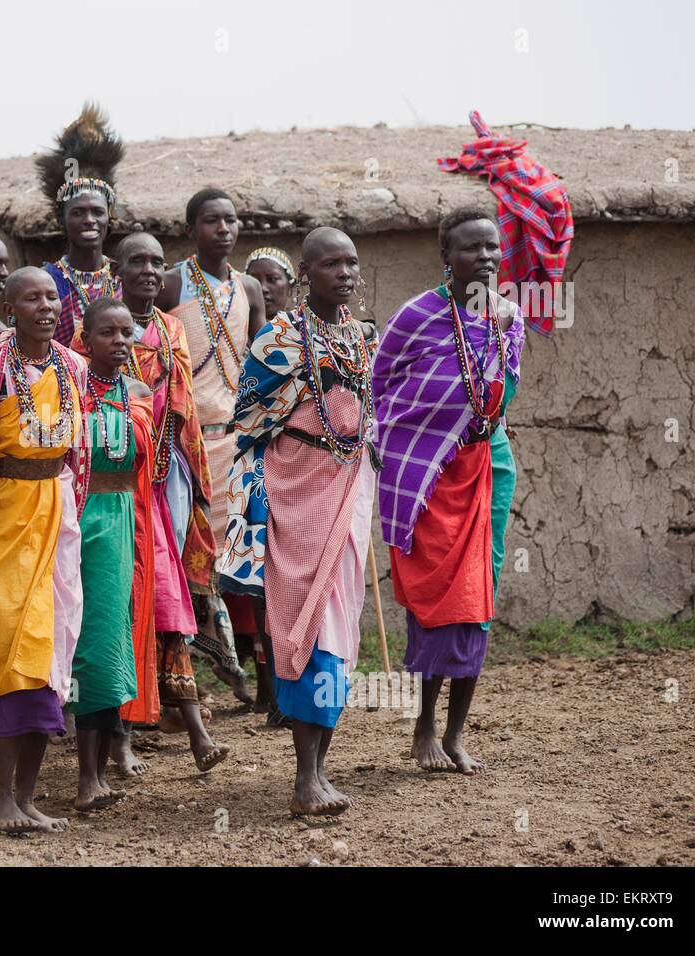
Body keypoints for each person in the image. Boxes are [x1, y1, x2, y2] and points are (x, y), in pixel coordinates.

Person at [220, 226, 378, 816]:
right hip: (298, 492)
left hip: (348, 491)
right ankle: (304, 778)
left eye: (352, 263)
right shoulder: (279, 339)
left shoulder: (362, 337)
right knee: (304, 626)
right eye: (331, 265)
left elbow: (368, 412)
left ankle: (321, 770)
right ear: (305, 275)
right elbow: (249, 417)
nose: (345, 273)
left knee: (339, 627)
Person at [374, 208, 525, 776]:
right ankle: (423, 726)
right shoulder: (416, 316)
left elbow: (501, 394)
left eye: (491, 248)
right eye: (470, 249)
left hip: (487, 464)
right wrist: (398, 442)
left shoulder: (507, 318)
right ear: (446, 256)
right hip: (425, 476)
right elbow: (378, 386)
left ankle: (457, 733)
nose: (485, 257)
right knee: (436, 605)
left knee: (477, 600)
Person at [0, 267, 90, 834]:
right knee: (11, 648)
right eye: (31, 298)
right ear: (8, 310)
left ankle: (25, 798)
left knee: (51, 652)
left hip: (58, 517)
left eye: (52, 296)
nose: (46, 306)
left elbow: (78, 459)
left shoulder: (72, 368)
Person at [111, 232, 232, 774]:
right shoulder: (98, 332)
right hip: (119, 487)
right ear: (118, 269)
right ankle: (128, 738)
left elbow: (180, 409)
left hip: (170, 479)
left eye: (158, 262)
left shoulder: (171, 329)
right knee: (133, 603)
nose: (150, 270)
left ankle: (173, 727)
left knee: (168, 599)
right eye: (137, 261)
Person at [156, 188, 267, 705]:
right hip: (185, 447)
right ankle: (186, 677)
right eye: (210, 221)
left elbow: (265, 363)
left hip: (238, 443)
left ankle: (260, 673)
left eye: (231, 220)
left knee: (242, 555)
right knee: (188, 555)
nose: (223, 229)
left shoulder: (248, 286)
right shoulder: (172, 282)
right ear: (190, 229)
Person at [69, 298, 154, 809]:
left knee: (109, 640)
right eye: (108, 332)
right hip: (76, 516)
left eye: (127, 332)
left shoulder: (139, 393)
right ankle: (84, 778)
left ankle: (96, 774)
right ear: (86, 336)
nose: (121, 341)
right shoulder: (68, 388)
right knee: (85, 642)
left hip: (122, 518)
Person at [240, 246, 299, 721]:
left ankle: (295, 681)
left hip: (303, 466)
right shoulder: (242, 340)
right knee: (260, 572)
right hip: (255, 465)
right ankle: (268, 685)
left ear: (291, 284)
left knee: (295, 572)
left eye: (273, 278)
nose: (264, 287)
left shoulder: (305, 336)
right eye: (254, 279)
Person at [35, 103, 124, 347]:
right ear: (61, 219)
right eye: (78, 212)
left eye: (97, 211)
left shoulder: (124, 278)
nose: (89, 220)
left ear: (109, 216)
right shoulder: (45, 282)